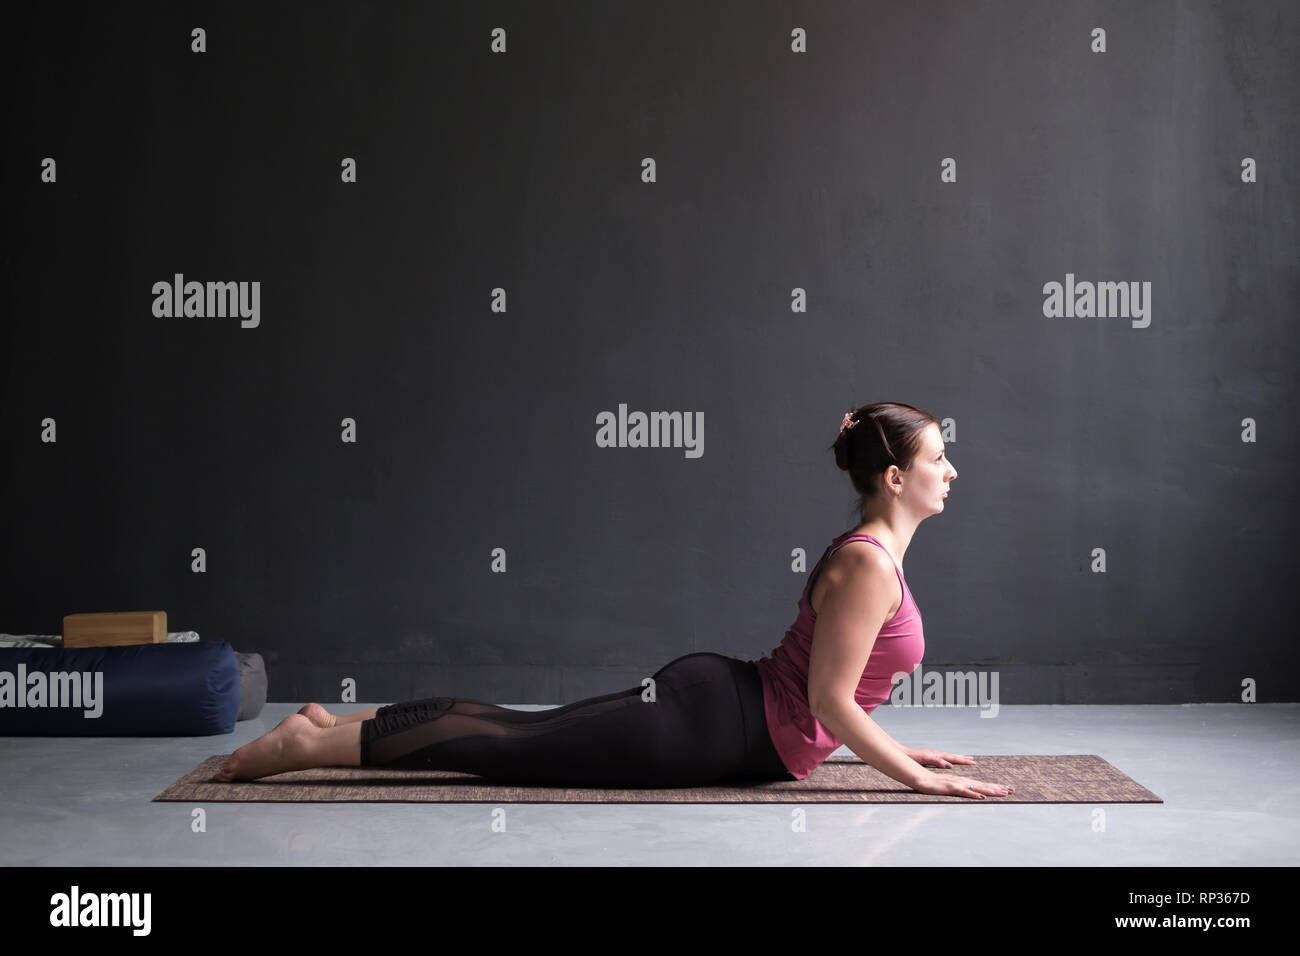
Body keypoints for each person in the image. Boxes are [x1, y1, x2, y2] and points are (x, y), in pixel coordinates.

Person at [214, 401, 1014, 799]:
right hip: (716, 720)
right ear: (895, 478)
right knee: (510, 746)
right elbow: (828, 701)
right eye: (939, 459)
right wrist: (915, 778)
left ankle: (327, 725)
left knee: (517, 730)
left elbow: (835, 694)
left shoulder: (878, 560)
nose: (952, 471)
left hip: (726, 711)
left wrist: (898, 750)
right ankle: (303, 751)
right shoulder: (869, 566)